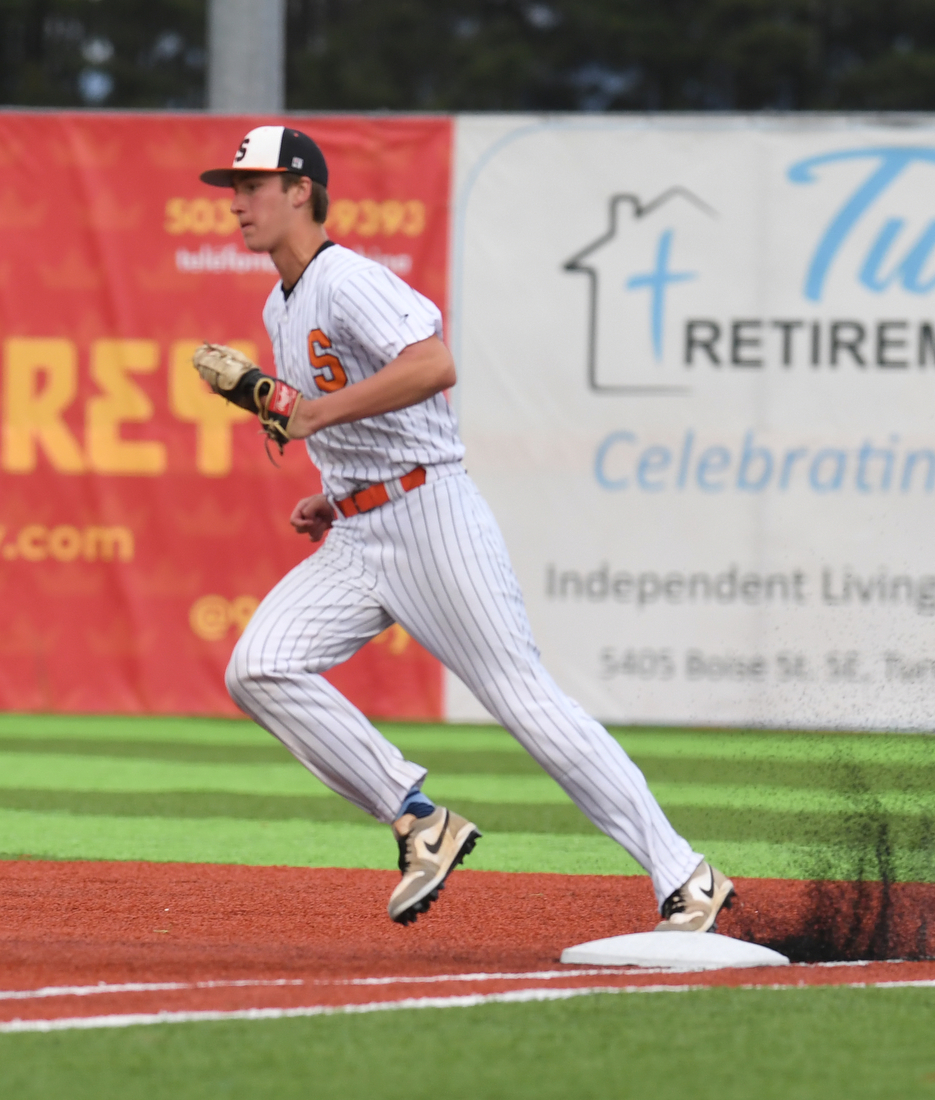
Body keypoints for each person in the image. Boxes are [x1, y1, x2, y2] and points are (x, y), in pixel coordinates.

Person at [194, 126, 732, 931]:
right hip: (362, 531)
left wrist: (307, 414)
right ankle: (418, 819)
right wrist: (332, 495)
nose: (236, 202)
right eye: (232, 187)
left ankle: (686, 874)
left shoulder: (345, 279)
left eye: (253, 184)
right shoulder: (282, 299)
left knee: (525, 703)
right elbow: (349, 418)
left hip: (428, 516)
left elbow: (432, 364)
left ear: (301, 189)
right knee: (260, 666)